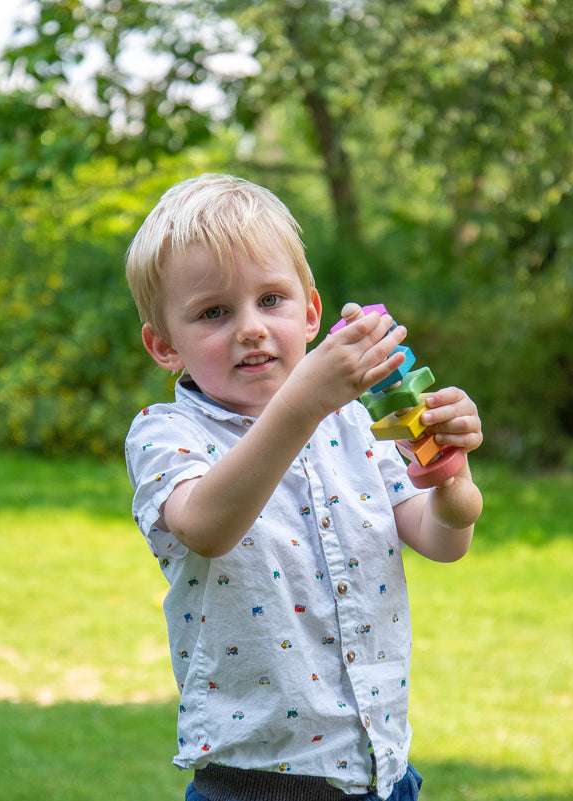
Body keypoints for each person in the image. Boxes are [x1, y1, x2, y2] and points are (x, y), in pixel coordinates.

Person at [123, 173, 483, 801]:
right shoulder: (166, 434)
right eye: (213, 312)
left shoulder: (356, 422)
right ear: (164, 345)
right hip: (258, 785)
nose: (250, 328)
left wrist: (452, 481)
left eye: (271, 300)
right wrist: (305, 402)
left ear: (312, 312)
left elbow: (440, 538)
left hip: (382, 773)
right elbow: (206, 527)